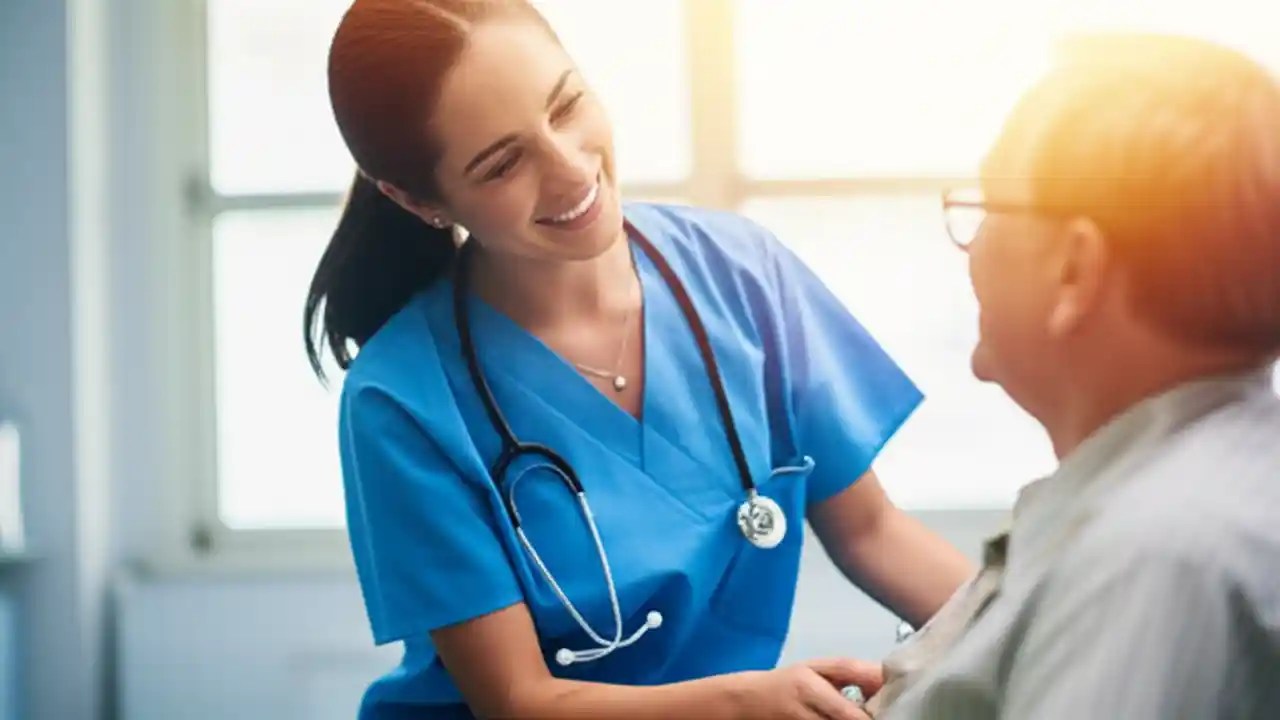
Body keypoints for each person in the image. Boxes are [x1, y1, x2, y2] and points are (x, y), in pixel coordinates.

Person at [302, 1, 973, 718]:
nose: (568, 172)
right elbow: (518, 701)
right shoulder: (401, 399)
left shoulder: (742, 277)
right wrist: (749, 702)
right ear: (419, 200)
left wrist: (1036, 619)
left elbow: (873, 531)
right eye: (503, 164)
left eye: (565, 107)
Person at [861, 33, 1280, 719]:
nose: (973, 248)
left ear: (1075, 270)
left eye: (992, 207)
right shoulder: (1206, 489)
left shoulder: (1154, 562)